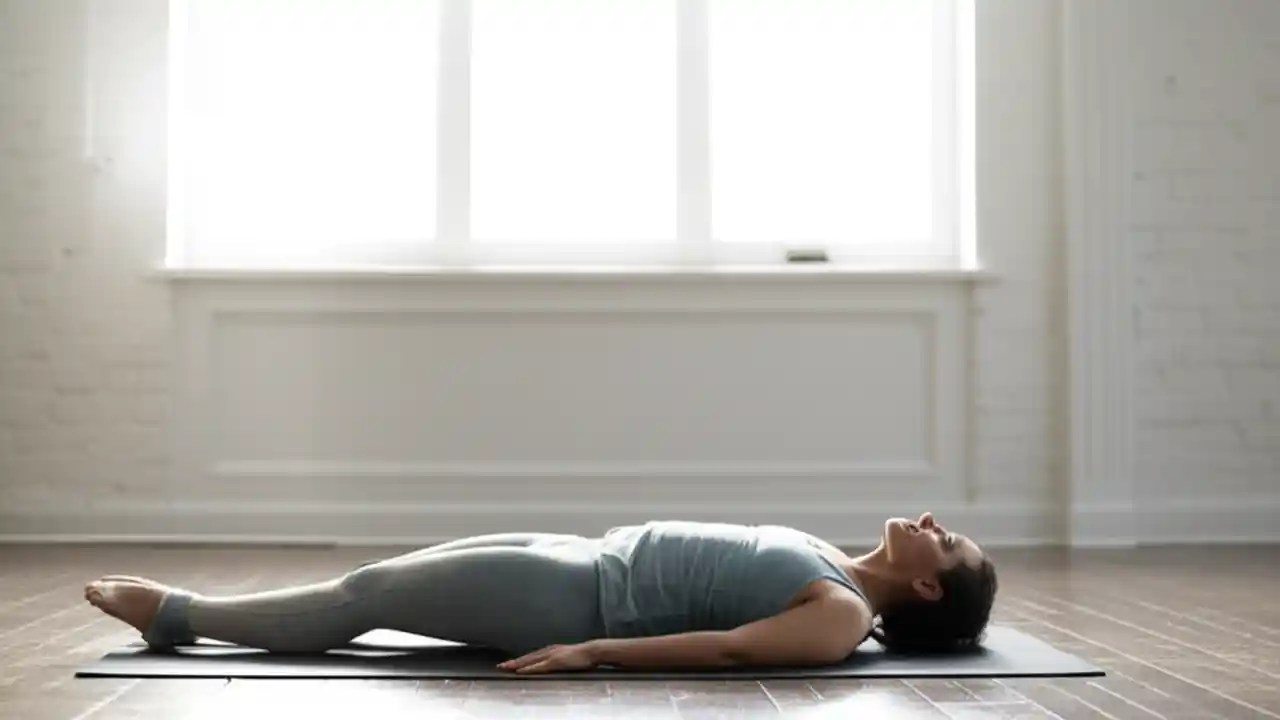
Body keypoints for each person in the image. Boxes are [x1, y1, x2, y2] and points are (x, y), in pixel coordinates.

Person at [83, 511, 996, 674]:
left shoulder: (840, 615)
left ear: (925, 584)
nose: (931, 518)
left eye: (945, 539)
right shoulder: (831, 562)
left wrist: (595, 650)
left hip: (577, 602)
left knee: (368, 593)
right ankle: (187, 615)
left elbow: (728, 651)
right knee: (374, 583)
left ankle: (179, 616)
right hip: (581, 555)